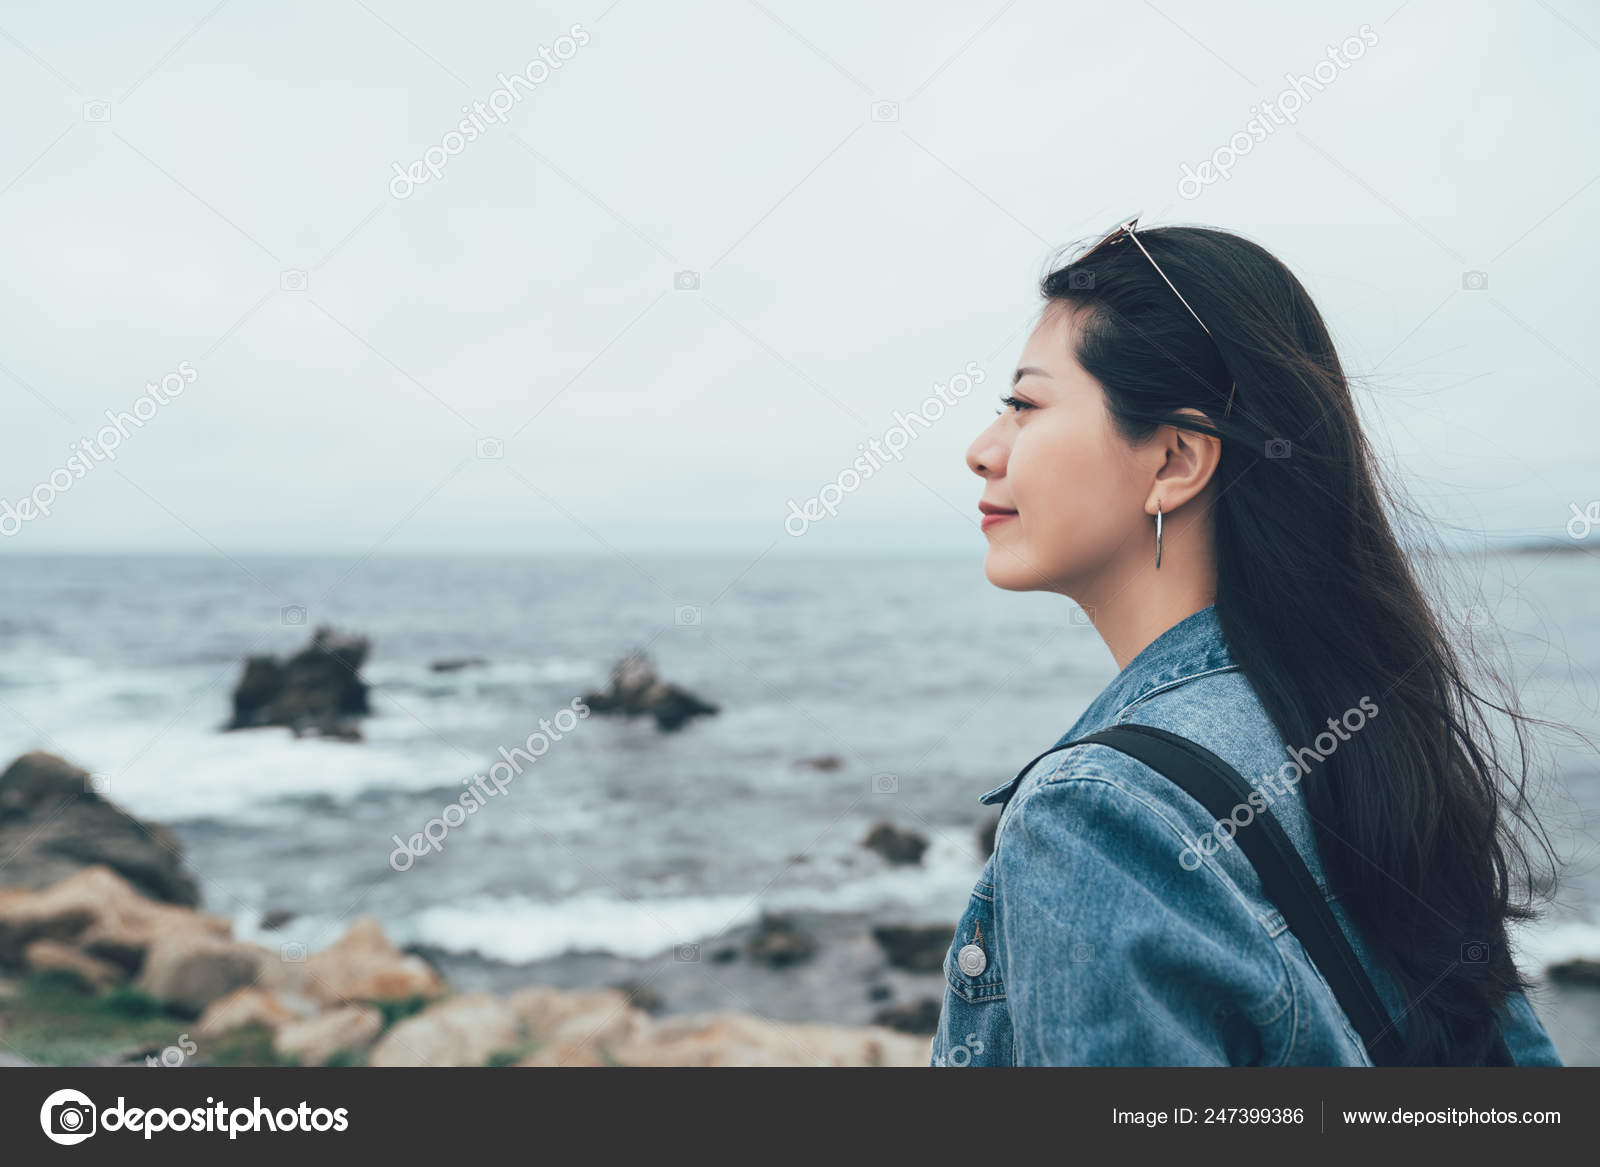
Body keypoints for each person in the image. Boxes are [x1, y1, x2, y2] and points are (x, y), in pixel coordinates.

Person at [929, 218, 1564, 1066]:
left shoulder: (1098, 815)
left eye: (1025, 405)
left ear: (1175, 462)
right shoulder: (1366, 724)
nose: (982, 450)